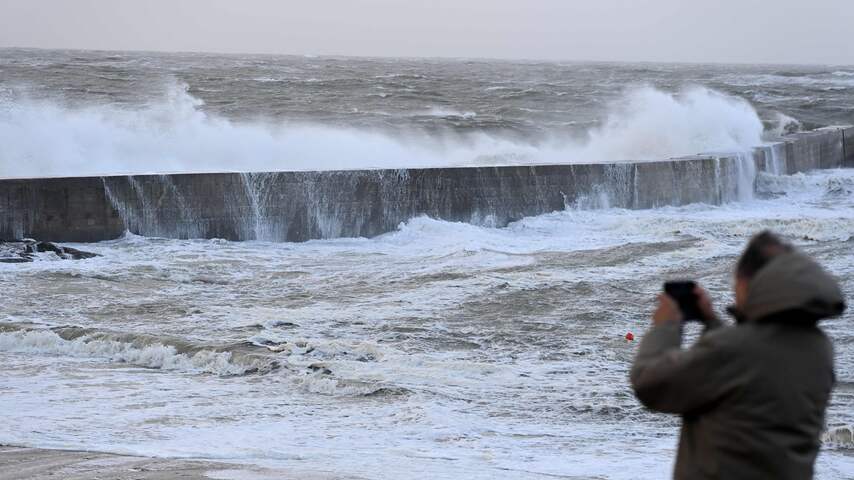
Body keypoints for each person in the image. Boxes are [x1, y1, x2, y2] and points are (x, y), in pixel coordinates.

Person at [630, 231, 846, 480]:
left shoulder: (734, 349)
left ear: (751, 283)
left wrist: (665, 327)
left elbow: (649, 383)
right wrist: (712, 323)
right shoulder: (819, 347)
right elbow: (744, 375)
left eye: (736, 281)